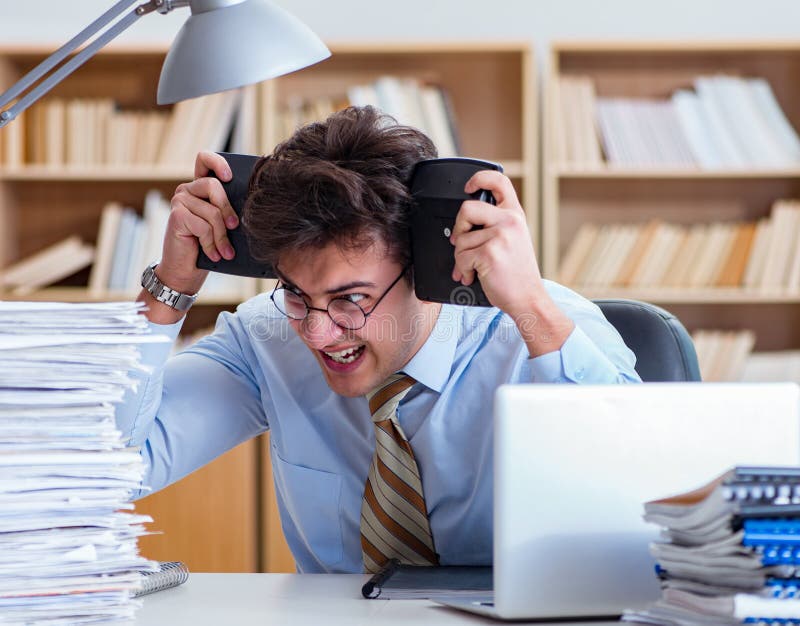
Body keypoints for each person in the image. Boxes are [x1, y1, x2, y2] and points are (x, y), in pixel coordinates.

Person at [117, 105, 639, 574]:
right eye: (297, 293)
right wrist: (170, 287)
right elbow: (111, 470)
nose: (318, 333)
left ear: (430, 268)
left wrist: (533, 311)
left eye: (350, 299)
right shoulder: (267, 335)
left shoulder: (537, 330)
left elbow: (634, 504)